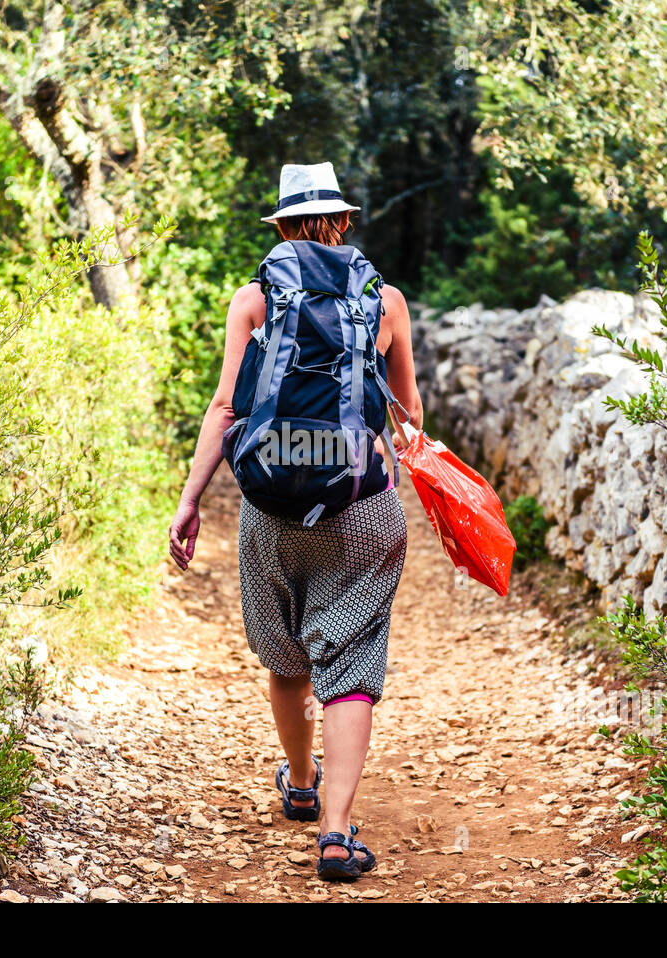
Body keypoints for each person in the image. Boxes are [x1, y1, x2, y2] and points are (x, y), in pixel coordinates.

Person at [168, 161, 424, 882]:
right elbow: (408, 419)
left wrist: (190, 500)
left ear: (280, 226)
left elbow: (225, 410)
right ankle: (337, 834)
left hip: (270, 507)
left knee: (286, 651)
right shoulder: (387, 302)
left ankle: (302, 782)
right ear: (342, 220)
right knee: (351, 663)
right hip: (362, 505)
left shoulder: (251, 301)